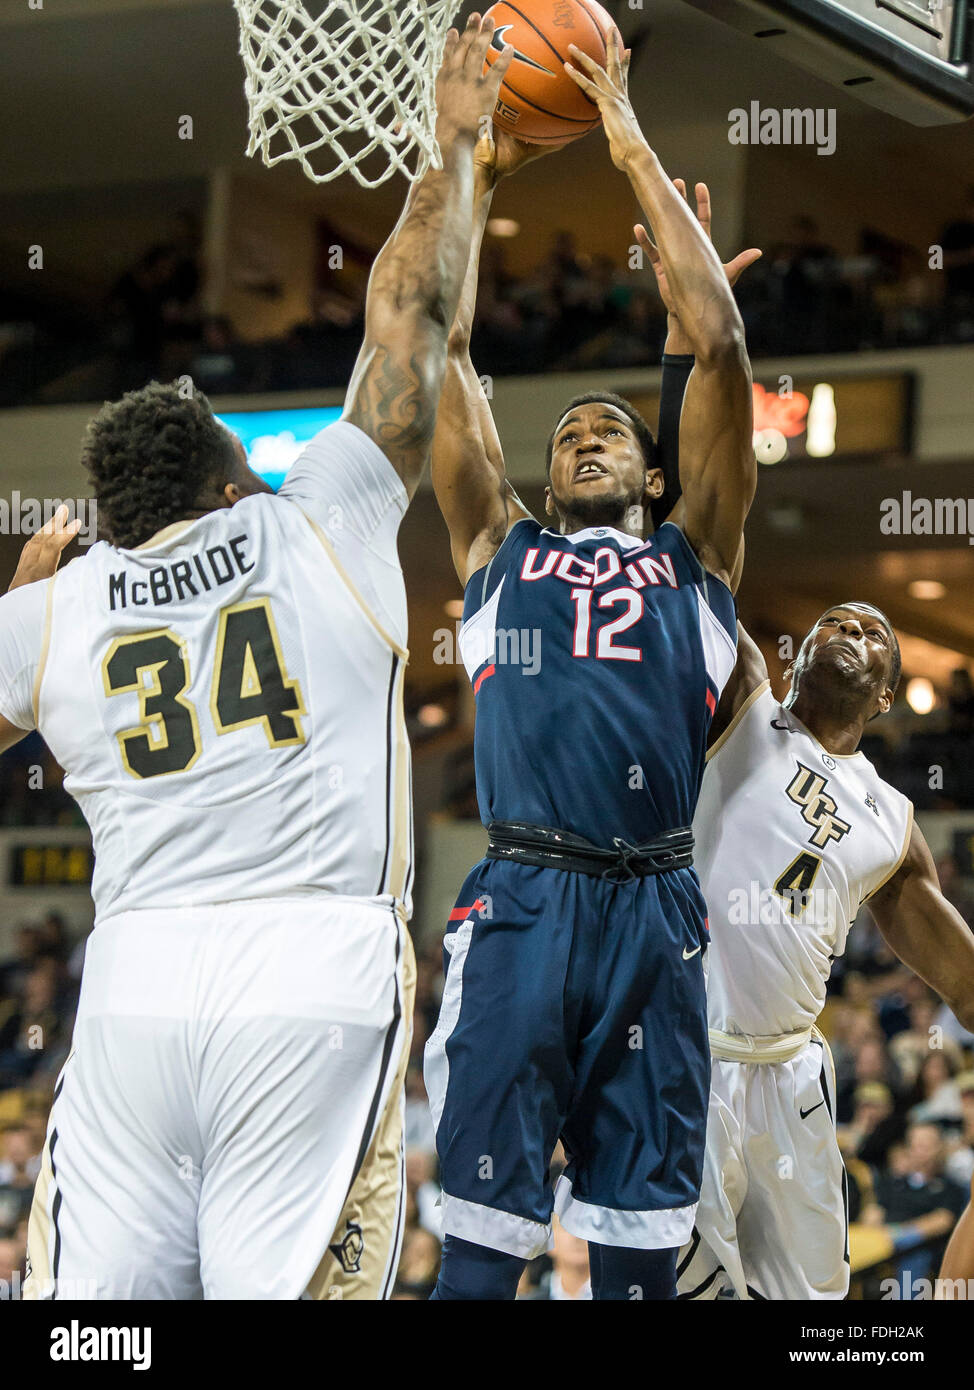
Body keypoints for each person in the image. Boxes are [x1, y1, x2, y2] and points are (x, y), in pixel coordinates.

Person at [0, 14, 514, 1301]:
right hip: (311, 981)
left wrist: (20, 606)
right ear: (237, 483)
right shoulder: (314, 520)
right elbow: (408, 323)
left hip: (132, 995)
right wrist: (449, 150)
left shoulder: (60, 610)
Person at [423, 35, 757, 1301]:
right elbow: (443, 361)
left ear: (653, 475)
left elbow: (718, 348)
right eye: (565, 431)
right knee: (476, 1248)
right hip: (522, 899)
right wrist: (477, 173)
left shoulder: (697, 563)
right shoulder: (498, 546)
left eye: (610, 427)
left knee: (637, 1253)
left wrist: (620, 129)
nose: (582, 435)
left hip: (655, 912)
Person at [675, 601, 974, 1300]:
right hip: (691, 1055)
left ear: (887, 694)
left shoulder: (891, 823)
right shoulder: (741, 707)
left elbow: (964, 981)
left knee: (813, 1304)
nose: (852, 633)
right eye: (835, 624)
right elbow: (708, 559)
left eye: (873, 633)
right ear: (796, 656)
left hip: (792, 1080)